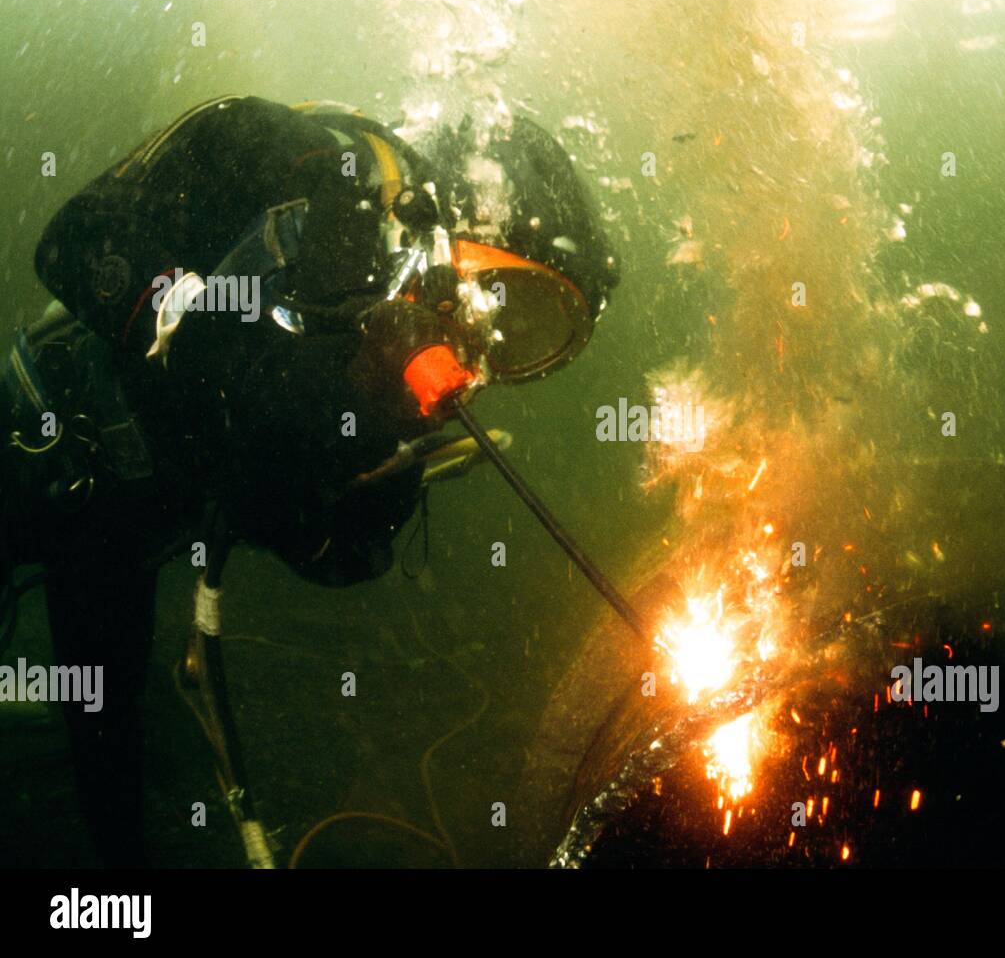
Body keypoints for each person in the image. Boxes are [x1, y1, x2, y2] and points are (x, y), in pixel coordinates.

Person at [0, 95, 619, 865]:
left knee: (106, 741)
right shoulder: (272, 146)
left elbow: (318, 545)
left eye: (529, 335)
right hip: (34, 446)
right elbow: (72, 239)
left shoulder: (395, 364)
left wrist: (358, 441)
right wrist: (216, 341)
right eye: (500, 296)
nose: (486, 342)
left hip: (124, 539)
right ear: (444, 228)